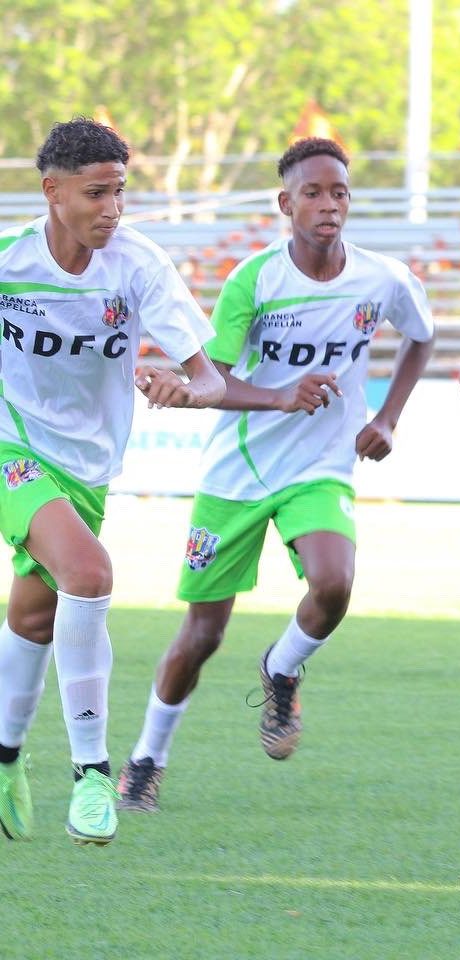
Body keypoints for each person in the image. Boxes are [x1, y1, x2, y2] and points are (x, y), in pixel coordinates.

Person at [116, 137, 435, 813]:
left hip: (319, 468)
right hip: (237, 472)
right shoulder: (254, 280)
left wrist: (389, 416)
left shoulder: (382, 279)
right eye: (314, 193)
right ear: (285, 203)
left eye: (339, 192)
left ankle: (282, 667)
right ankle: (147, 757)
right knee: (202, 636)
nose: (328, 204)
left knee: (334, 582)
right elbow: (212, 381)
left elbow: (423, 335)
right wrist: (280, 396)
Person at [0, 118, 225, 845]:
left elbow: (209, 374)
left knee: (36, 616)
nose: (113, 209)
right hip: (10, 446)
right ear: (53, 193)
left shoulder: (137, 264)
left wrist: (185, 386)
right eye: (97, 193)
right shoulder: (8, 261)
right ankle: (92, 777)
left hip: (88, 468)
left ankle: (4, 760)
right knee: (90, 574)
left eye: (121, 192)